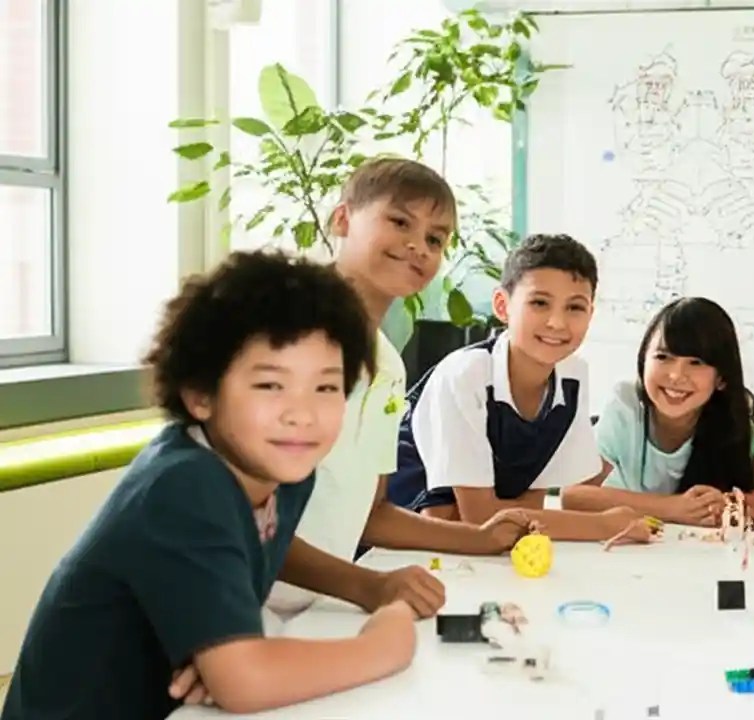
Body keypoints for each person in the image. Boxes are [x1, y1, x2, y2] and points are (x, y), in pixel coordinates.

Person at [0, 251, 416, 720]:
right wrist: (382, 646)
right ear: (200, 394)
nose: (303, 413)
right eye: (269, 386)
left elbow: (256, 553)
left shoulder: (280, 469)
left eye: (326, 387)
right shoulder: (186, 484)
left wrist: (221, 652)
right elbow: (245, 682)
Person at [267, 157, 532, 621]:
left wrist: (480, 537)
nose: (418, 246)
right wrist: (368, 585)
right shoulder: (284, 334)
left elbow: (371, 512)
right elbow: (240, 517)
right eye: (399, 221)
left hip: (314, 611)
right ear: (343, 219)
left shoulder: (387, 363)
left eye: (435, 238)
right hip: (235, 602)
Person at [387, 233, 658, 543]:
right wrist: (604, 525)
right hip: (403, 536)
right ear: (503, 306)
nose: (557, 322)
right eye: (539, 303)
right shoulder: (467, 374)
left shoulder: (571, 377)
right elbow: (477, 521)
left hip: (482, 548)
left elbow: (529, 510)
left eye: (575, 307)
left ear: (590, 314)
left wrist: (510, 518)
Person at [560, 297, 754, 525]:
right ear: (643, 361)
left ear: (721, 378)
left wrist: (728, 505)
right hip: (630, 548)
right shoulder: (626, 405)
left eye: (696, 362)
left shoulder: (730, 418)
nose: (676, 375)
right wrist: (672, 508)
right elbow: (574, 496)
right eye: (663, 357)